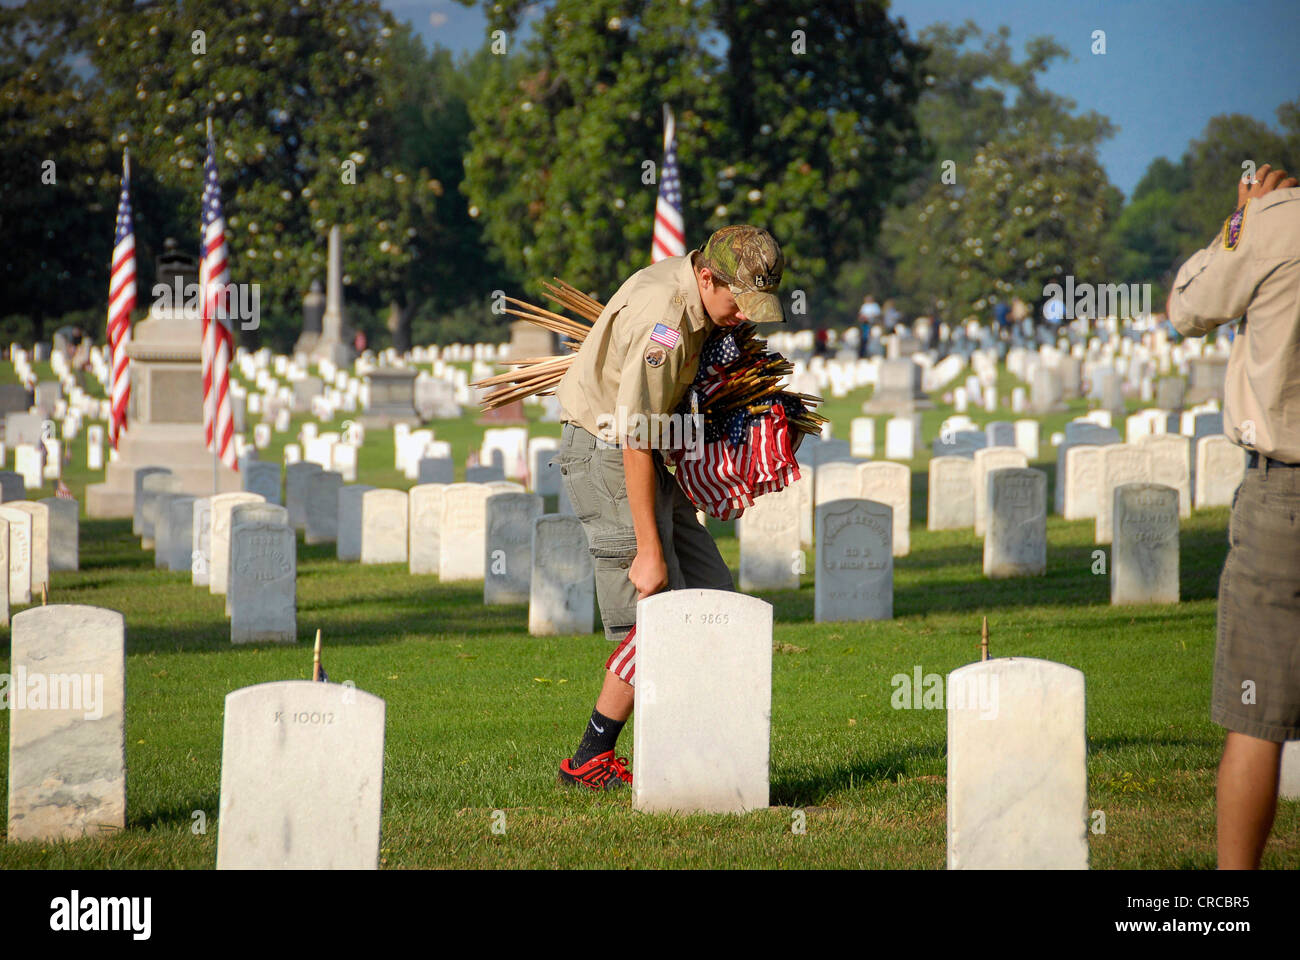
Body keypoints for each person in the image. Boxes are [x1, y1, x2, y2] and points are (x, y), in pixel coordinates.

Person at [553, 225, 787, 789]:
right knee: (655, 614)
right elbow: (632, 433)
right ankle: (588, 759)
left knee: (714, 605)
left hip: (644, 452)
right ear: (707, 278)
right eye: (738, 302)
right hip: (609, 453)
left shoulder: (703, 306)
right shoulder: (667, 322)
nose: (744, 316)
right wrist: (650, 551)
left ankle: (702, 757)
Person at [1166, 161, 1300, 869]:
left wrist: (1243, 217)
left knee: (1257, 716)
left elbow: (1189, 307)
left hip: (1287, 493)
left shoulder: (1277, 223)